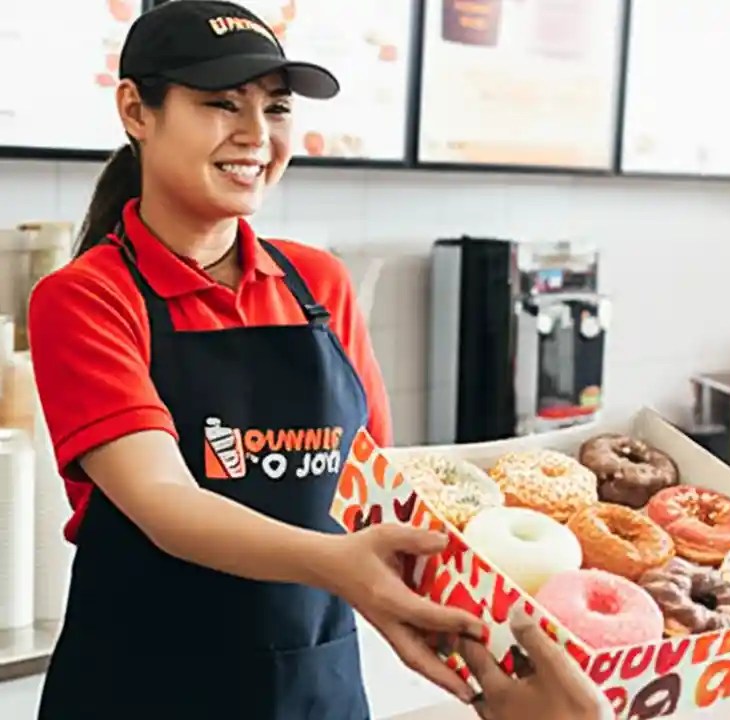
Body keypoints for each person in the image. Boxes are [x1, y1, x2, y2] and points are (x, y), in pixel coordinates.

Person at [26, 2, 611, 718]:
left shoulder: (318, 285)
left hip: (312, 687)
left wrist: (496, 654)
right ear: (135, 111)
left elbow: (380, 493)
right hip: (142, 687)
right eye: (221, 104)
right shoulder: (84, 297)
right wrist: (345, 566)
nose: (255, 135)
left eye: (276, 109)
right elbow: (166, 504)